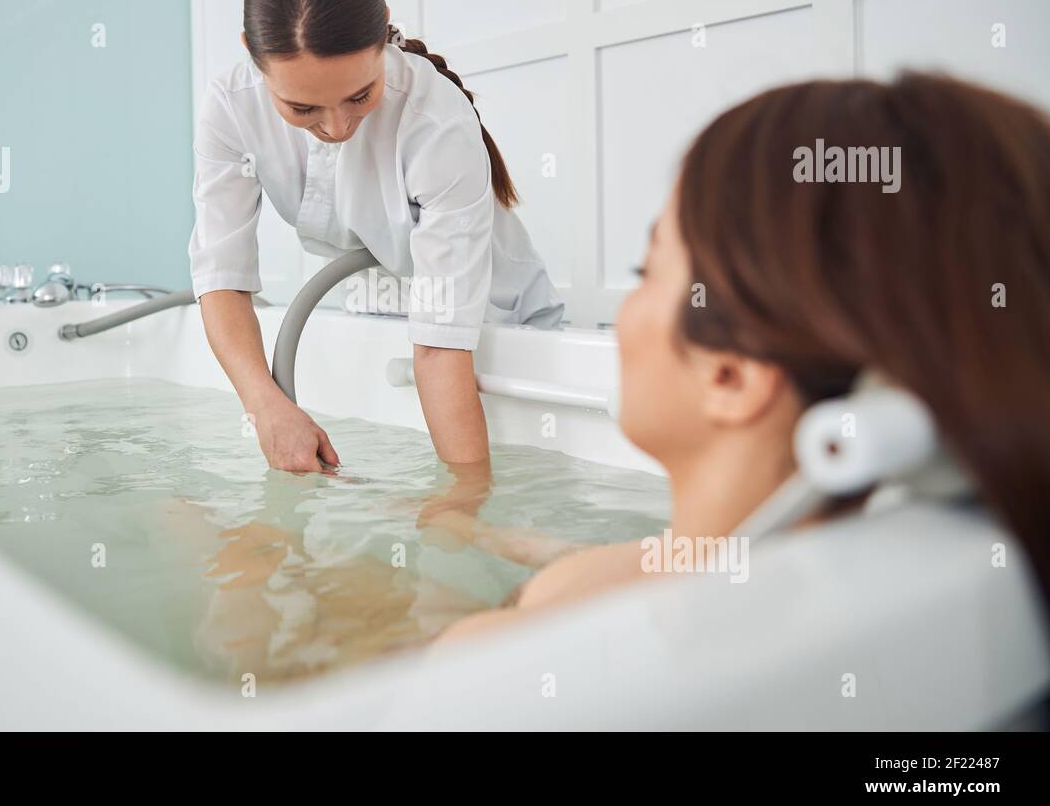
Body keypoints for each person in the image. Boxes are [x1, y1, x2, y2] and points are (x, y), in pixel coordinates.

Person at [431, 72, 1050, 639]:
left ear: (729, 376)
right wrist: (474, 532)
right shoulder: (949, 602)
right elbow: (663, 555)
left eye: (646, 269)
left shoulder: (503, 650)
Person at [188, 0, 563, 474]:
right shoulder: (230, 108)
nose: (337, 127)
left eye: (360, 96)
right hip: (390, 317)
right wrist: (266, 407)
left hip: (497, 325)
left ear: (382, 32)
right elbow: (220, 274)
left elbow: (440, 349)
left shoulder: (436, 123)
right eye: (301, 107)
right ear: (253, 53)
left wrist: (468, 506)